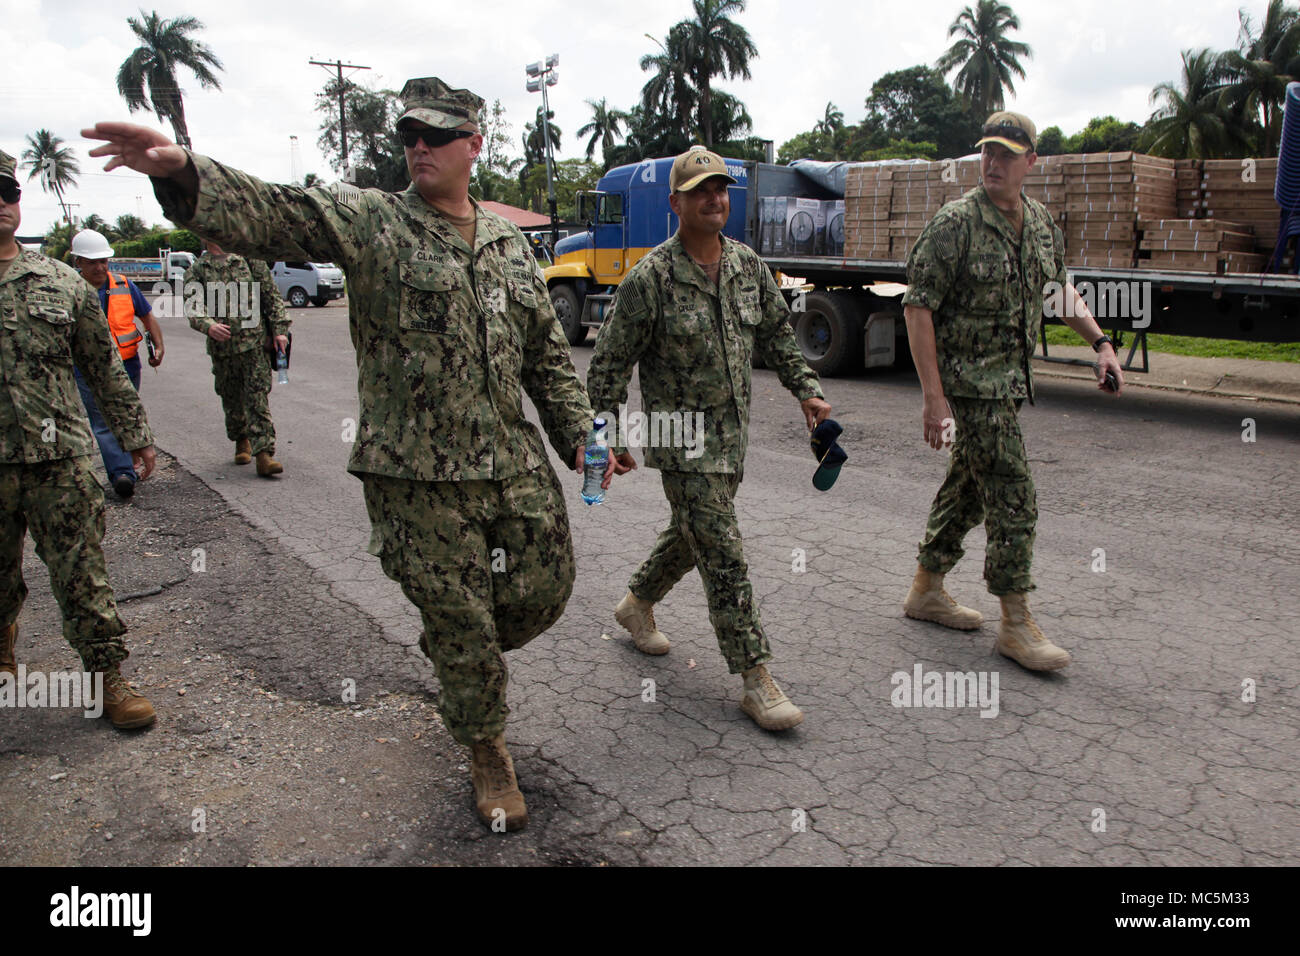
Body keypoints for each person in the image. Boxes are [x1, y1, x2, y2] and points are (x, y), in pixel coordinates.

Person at [85, 76, 600, 831]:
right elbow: (284, 212)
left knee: (544, 588)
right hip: (415, 475)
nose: (417, 146)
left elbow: (548, 359)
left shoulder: (508, 247)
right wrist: (182, 173)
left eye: (434, 133)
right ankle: (486, 743)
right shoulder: (375, 220)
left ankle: (463, 652)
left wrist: (584, 437)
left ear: (474, 143)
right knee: (463, 622)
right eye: (407, 136)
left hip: (510, 465)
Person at [587, 146, 831, 733]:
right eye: (700, 190)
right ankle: (756, 678)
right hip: (681, 442)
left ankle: (637, 604)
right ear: (676, 203)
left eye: (720, 188)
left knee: (693, 533)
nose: (713, 198)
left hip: (732, 439)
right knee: (722, 550)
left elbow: (777, 334)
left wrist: (808, 391)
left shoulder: (748, 267)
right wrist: (611, 437)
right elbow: (607, 369)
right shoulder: (650, 280)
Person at [900, 112, 1125, 671]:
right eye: (986, 152)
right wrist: (933, 396)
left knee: (969, 490)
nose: (993, 163)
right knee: (1013, 494)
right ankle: (1016, 623)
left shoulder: (1042, 224)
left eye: (1005, 154)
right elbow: (917, 306)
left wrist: (1100, 344)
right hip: (967, 388)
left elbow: (1057, 292)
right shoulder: (956, 223)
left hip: (1007, 384)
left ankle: (926, 588)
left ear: (1031, 162)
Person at [0, 149, 159, 728]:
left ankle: (107, 677)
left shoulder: (60, 281)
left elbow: (103, 367)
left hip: (59, 460)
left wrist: (137, 436)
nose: (1, 201)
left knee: (82, 572)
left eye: (8, 190)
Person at [69, 228, 165, 498]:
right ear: (79, 262)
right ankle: (122, 472)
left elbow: (147, 317)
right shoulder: (70, 290)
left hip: (127, 364)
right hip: (87, 369)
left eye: (103, 261)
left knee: (127, 413)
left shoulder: (124, 285)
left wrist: (158, 345)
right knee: (102, 421)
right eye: (92, 262)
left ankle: (130, 457)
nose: (100, 267)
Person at [184, 240, 289, 476]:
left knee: (257, 397)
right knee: (231, 398)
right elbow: (193, 307)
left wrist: (280, 330)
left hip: (254, 344)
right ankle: (241, 439)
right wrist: (208, 326)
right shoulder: (198, 269)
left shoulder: (249, 260)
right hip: (223, 350)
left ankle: (264, 455)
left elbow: (271, 295)